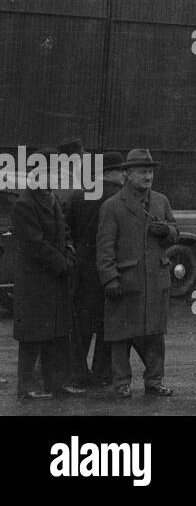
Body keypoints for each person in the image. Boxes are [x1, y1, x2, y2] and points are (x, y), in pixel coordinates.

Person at [96, 147, 178, 398]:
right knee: (121, 336)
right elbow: (104, 247)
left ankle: (154, 381)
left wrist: (166, 232)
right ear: (127, 174)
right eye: (142, 171)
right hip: (126, 280)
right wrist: (110, 277)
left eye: (150, 172)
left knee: (155, 334)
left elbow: (174, 232)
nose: (148, 176)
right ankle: (121, 383)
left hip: (155, 280)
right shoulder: (112, 206)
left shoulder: (161, 201)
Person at [12, 149, 83, 400]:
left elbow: (65, 232)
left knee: (56, 333)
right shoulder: (25, 203)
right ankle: (27, 386)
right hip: (36, 281)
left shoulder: (50, 199)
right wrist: (62, 263)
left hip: (53, 279)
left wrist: (70, 251)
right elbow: (34, 244)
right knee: (32, 336)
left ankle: (57, 383)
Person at [68, 150, 123, 387]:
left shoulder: (80, 196)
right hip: (109, 268)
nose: (125, 175)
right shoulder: (119, 198)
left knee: (82, 326)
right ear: (111, 172)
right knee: (106, 325)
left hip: (83, 270)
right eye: (122, 170)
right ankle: (102, 373)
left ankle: (77, 373)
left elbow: (71, 229)